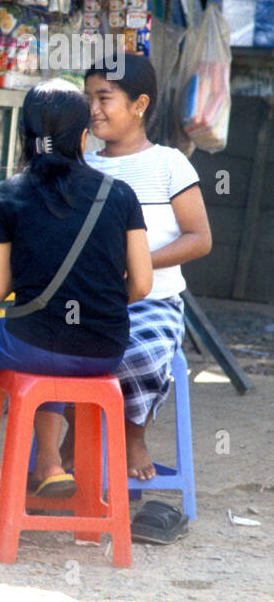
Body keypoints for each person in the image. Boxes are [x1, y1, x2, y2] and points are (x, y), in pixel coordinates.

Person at [0, 80, 153, 507]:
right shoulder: (120, 195)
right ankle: (48, 465)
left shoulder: (5, 196)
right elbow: (142, 284)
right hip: (105, 347)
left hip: (34, 340)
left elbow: (0, 288)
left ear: (26, 135)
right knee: (59, 346)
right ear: (83, 137)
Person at [84, 56, 211, 479]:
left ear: (139, 105)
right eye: (88, 99)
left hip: (153, 300)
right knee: (58, 345)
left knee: (136, 350)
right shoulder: (84, 164)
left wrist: (135, 265)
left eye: (104, 98)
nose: (94, 109)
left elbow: (199, 239)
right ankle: (71, 438)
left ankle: (131, 432)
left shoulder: (169, 164)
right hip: (91, 300)